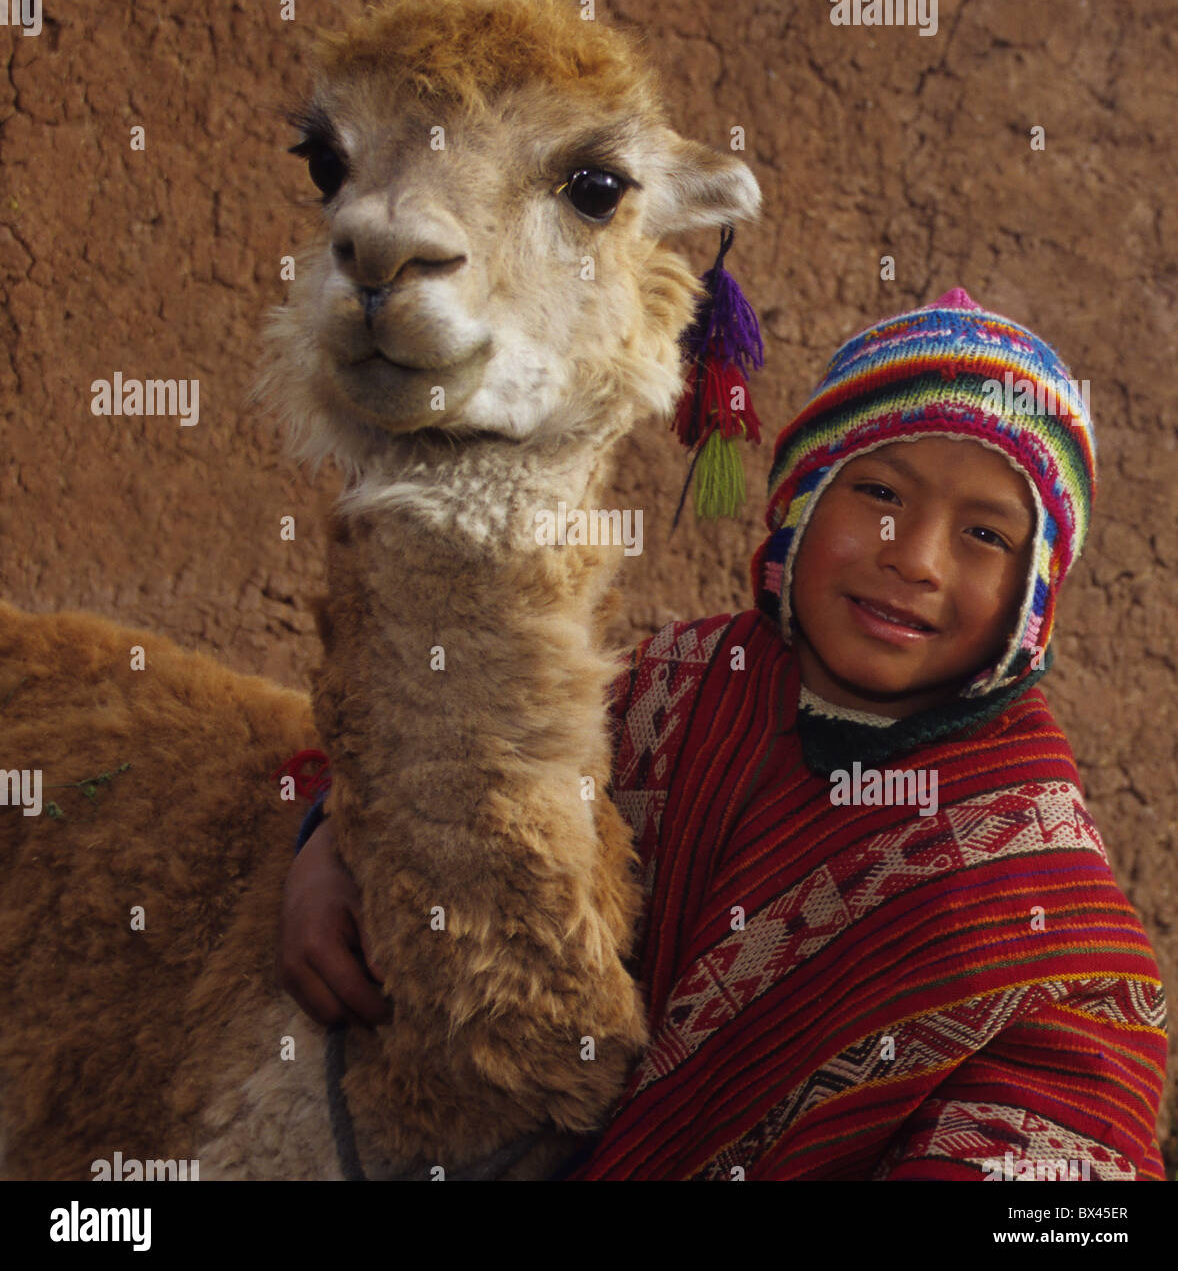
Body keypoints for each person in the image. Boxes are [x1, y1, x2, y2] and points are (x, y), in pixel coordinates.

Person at [277, 287, 1167, 1180]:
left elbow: (1063, 1136)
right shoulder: (677, 685)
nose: (918, 558)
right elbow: (463, 771)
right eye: (880, 492)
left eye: (984, 532)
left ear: (1035, 593)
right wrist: (333, 844)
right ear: (804, 498)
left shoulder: (1034, 902)